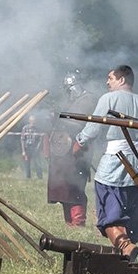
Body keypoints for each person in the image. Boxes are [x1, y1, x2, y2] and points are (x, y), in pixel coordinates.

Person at [74, 65, 138, 260]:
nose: (107, 82)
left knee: (107, 206)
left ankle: (125, 245)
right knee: (128, 205)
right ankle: (126, 244)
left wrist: (79, 141)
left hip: (115, 162)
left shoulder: (108, 99)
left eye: (110, 78)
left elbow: (93, 126)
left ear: (122, 80)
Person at [47, 71, 96, 226]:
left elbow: (79, 123)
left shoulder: (88, 99)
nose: (68, 91)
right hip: (63, 149)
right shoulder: (69, 101)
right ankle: (69, 222)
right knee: (61, 187)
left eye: (70, 88)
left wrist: (60, 117)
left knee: (74, 186)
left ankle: (78, 222)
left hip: (78, 150)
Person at [20, 114, 44, 180]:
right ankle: (28, 177)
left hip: (35, 148)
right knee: (27, 163)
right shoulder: (25, 128)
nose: (33, 122)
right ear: (29, 121)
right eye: (31, 121)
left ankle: (40, 177)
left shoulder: (37, 129)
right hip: (27, 148)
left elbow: (40, 139)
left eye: (34, 121)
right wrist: (23, 151)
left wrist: (38, 148)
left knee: (37, 163)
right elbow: (22, 139)